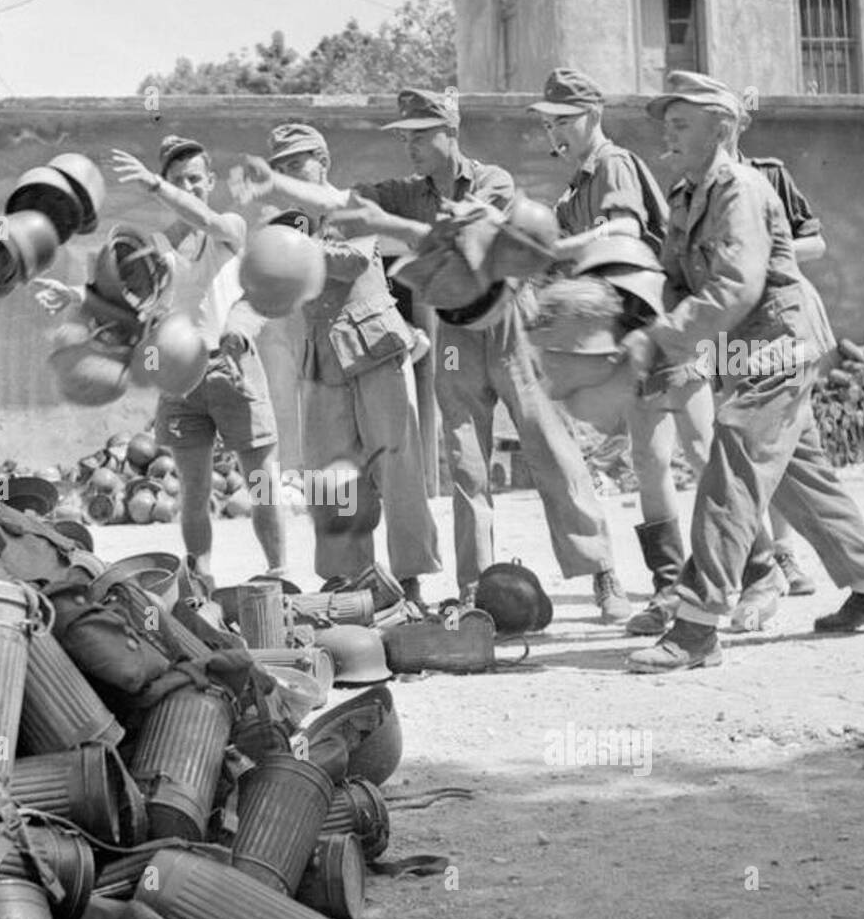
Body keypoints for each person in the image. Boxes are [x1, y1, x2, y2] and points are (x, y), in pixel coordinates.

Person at [243, 91, 631, 622]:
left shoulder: (492, 181)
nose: (411, 146)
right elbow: (345, 205)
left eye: (421, 134)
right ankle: (476, 591)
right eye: (404, 136)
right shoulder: (405, 192)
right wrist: (276, 187)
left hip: (508, 324)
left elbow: (475, 240)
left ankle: (601, 571)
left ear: (451, 131)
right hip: (455, 335)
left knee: (549, 447)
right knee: (466, 465)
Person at [619, 76, 864, 672]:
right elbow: (676, 276)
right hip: (742, 349)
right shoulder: (684, 194)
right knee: (801, 478)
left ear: (721, 129)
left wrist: (666, 335)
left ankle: (697, 625)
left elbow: (735, 285)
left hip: (778, 347)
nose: (667, 131)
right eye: (665, 121)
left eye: (682, 122)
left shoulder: (739, 190)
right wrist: (654, 325)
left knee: (733, 468)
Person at [41, 136, 287, 584]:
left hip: (234, 370)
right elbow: (122, 301)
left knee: (262, 485)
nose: (188, 186)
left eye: (195, 178)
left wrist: (156, 185)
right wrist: (74, 296)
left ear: (211, 182)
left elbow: (209, 220)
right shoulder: (155, 246)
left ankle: (279, 573)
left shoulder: (228, 227)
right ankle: (202, 582)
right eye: (179, 180)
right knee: (193, 490)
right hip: (178, 380)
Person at [238, 123, 441, 604]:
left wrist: (292, 251)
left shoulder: (353, 203)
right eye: (281, 166)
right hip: (324, 360)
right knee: (331, 475)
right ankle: (345, 579)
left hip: (375, 349)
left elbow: (350, 261)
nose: (289, 173)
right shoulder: (285, 228)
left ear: (322, 162)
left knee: (397, 465)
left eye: (297, 163)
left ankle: (409, 580)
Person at [728, 98, 826, 598]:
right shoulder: (690, 188)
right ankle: (757, 558)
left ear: (738, 125)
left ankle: (783, 556)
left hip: (780, 326)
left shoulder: (768, 175)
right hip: (729, 331)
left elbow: (815, 242)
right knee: (741, 440)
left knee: (780, 441)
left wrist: (762, 256)